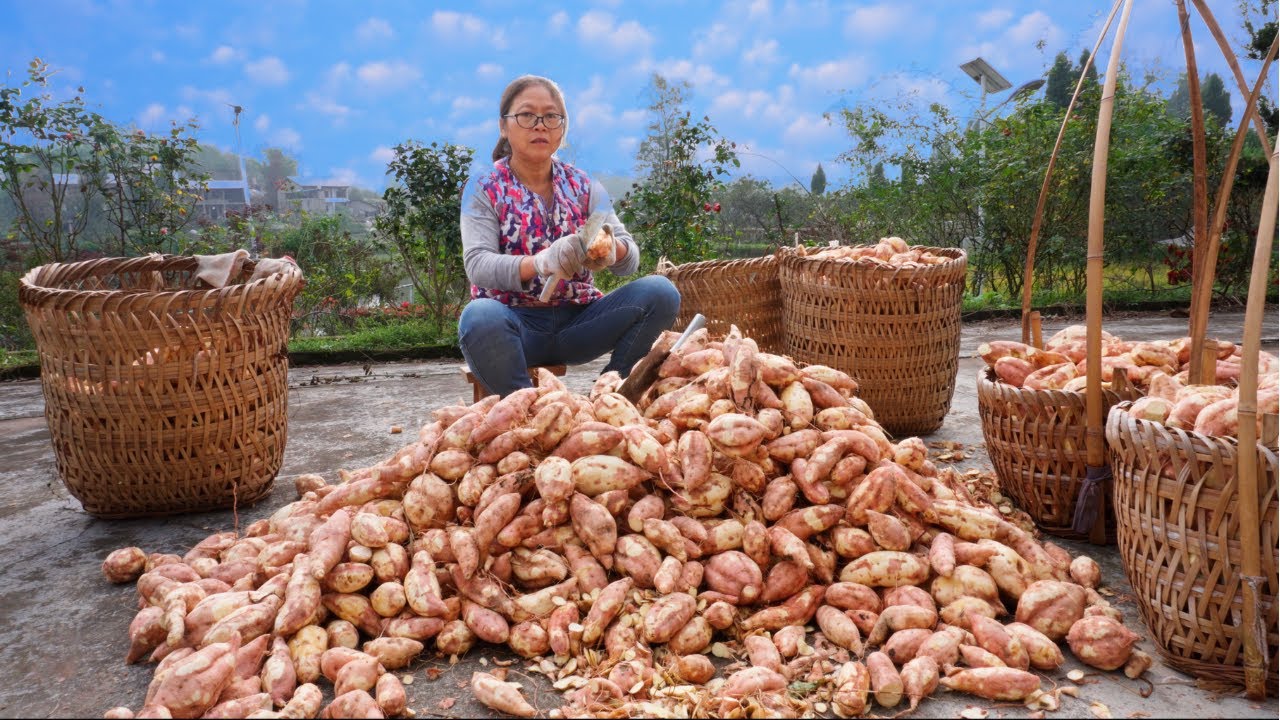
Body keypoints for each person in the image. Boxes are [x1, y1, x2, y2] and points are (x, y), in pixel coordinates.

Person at [458, 74, 680, 397]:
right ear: (504, 127)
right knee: (478, 318)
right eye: (526, 115)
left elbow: (630, 257)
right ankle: (532, 414)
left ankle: (610, 396)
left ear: (562, 129)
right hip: (515, 325)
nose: (540, 125)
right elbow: (478, 265)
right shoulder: (483, 188)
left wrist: (607, 250)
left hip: (579, 323)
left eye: (551, 116)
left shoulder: (585, 187)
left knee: (661, 292)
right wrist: (540, 262)